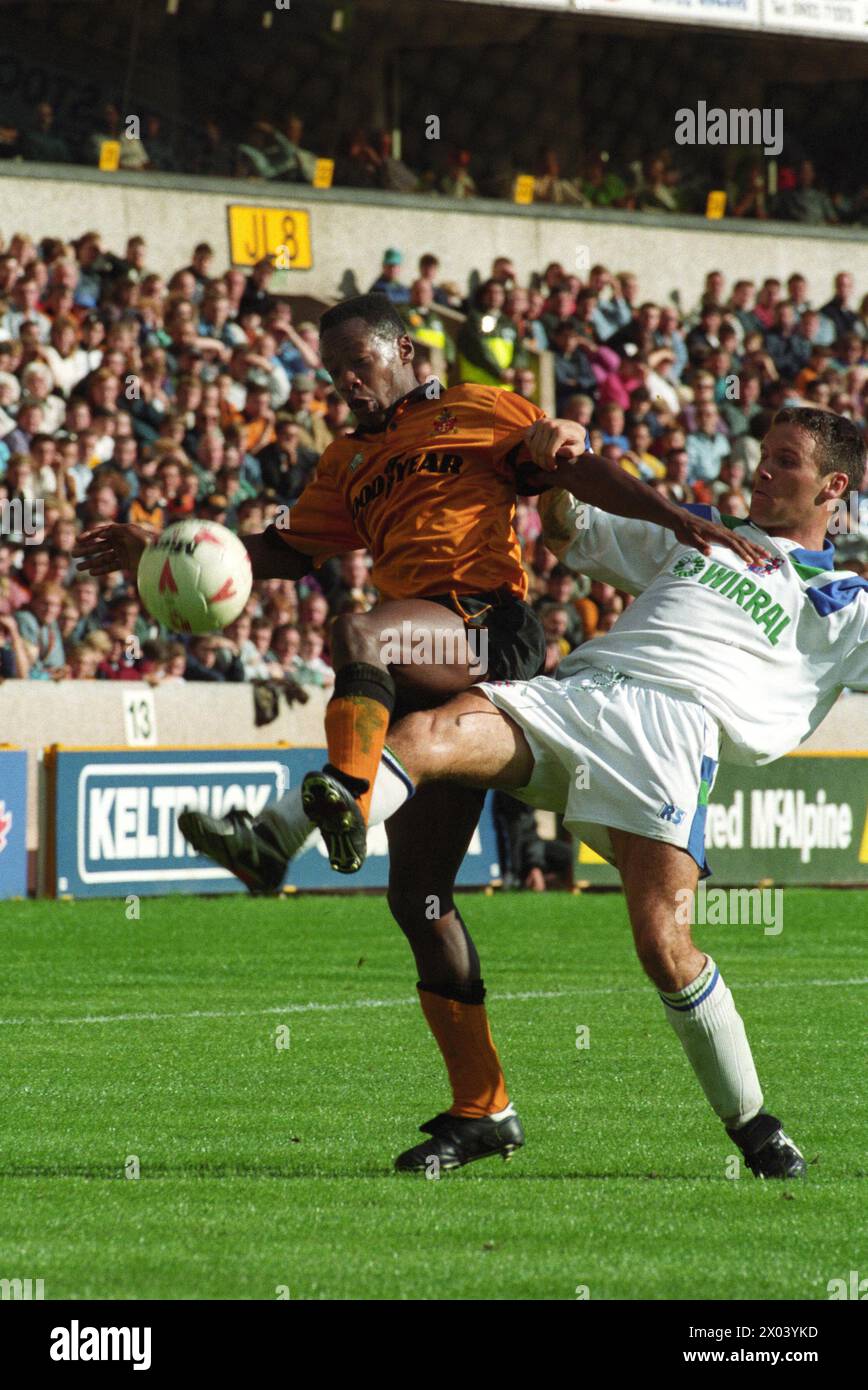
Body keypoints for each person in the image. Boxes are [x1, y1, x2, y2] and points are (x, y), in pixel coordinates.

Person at [73, 293, 758, 1173]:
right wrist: (161, 551)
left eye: (357, 364)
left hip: (488, 631)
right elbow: (286, 551)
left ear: (403, 347)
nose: (344, 384)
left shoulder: (481, 406)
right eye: (332, 374)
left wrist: (676, 518)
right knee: (419, 899)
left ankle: (300, 824)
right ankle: (485, 1109)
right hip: (416, 658)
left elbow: (571, 467)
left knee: (358, 635)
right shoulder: (350, 460)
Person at [303, 407, 867, 1178]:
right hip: (576, 691)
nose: (763, 470)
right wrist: (561, 450)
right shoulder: (699, 530)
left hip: (668, 735)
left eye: (786, 462)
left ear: (834, 486)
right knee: (425, 738)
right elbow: (575, 533)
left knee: (664, 947)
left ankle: (755, 1126)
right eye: (763, 454)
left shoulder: (842, 602)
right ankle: (302, 828)